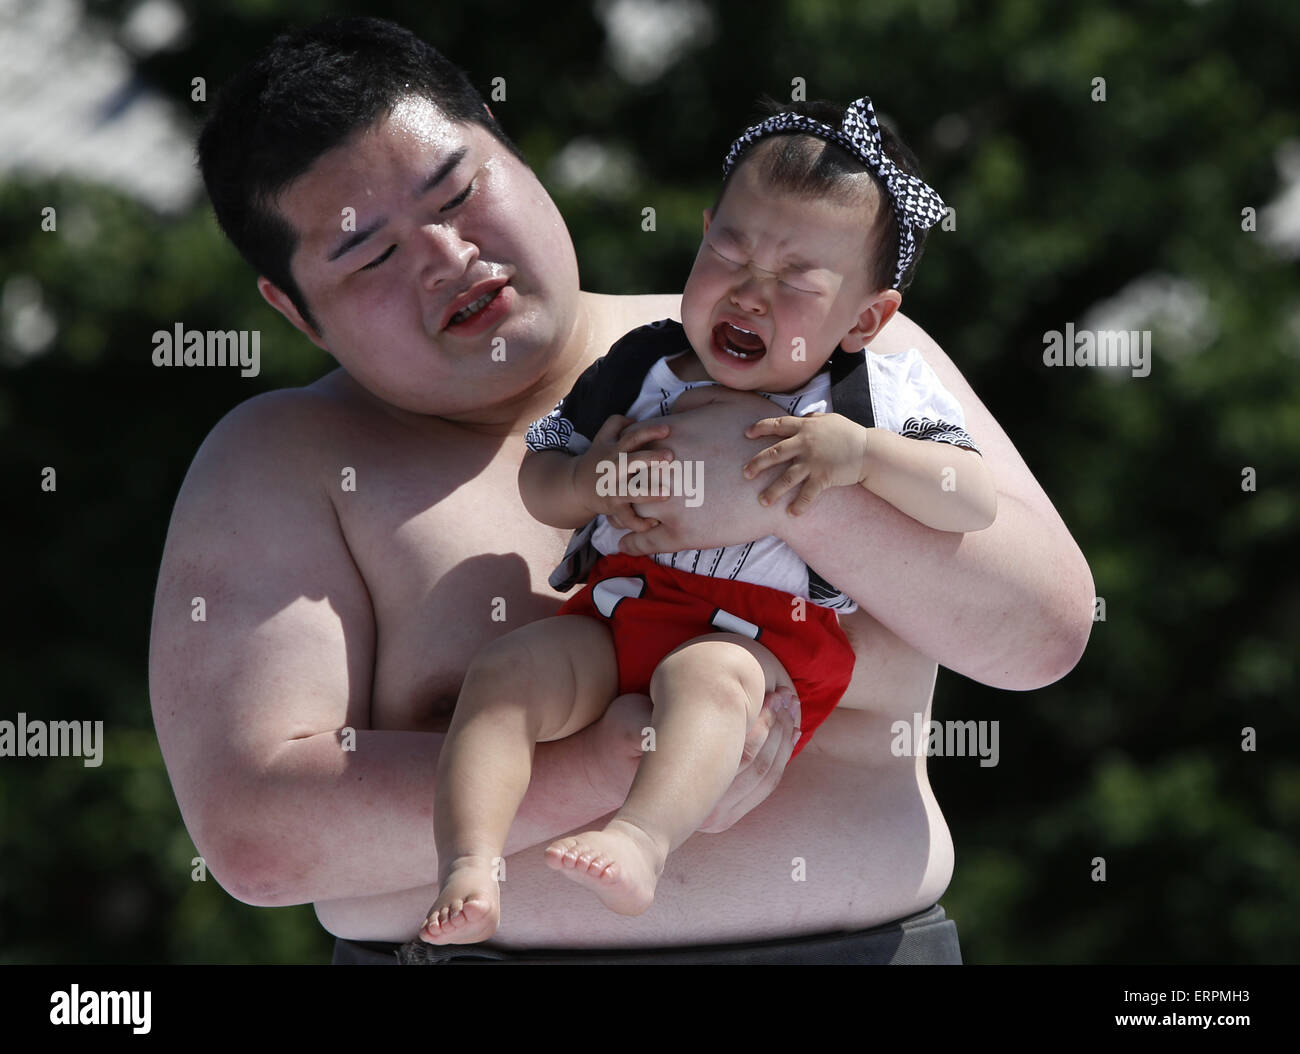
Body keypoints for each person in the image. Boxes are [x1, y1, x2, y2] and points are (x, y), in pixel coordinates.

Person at [149, 16, 1093, 965]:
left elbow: (1046, 636)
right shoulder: (280, 462)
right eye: (371, 256)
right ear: (292, 306)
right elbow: (256, 833)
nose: (448, 256)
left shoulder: (850, 361)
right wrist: (603, 766)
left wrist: (784, 486)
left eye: (459, 193)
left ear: (506, 144)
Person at [420, 95, 997, 943]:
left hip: (764, 641)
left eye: (797, 283)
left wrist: (867, 457)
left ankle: (641, 841)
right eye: (728, 252)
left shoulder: (873, 392)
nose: (751, 295)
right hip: (621, 605)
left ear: (866, 318)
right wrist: (588, 480)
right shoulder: (642, 361)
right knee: (508, 671)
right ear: (700, 236)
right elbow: (540, 481)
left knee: (707, 684)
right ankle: (470, 862)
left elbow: (971, 497)